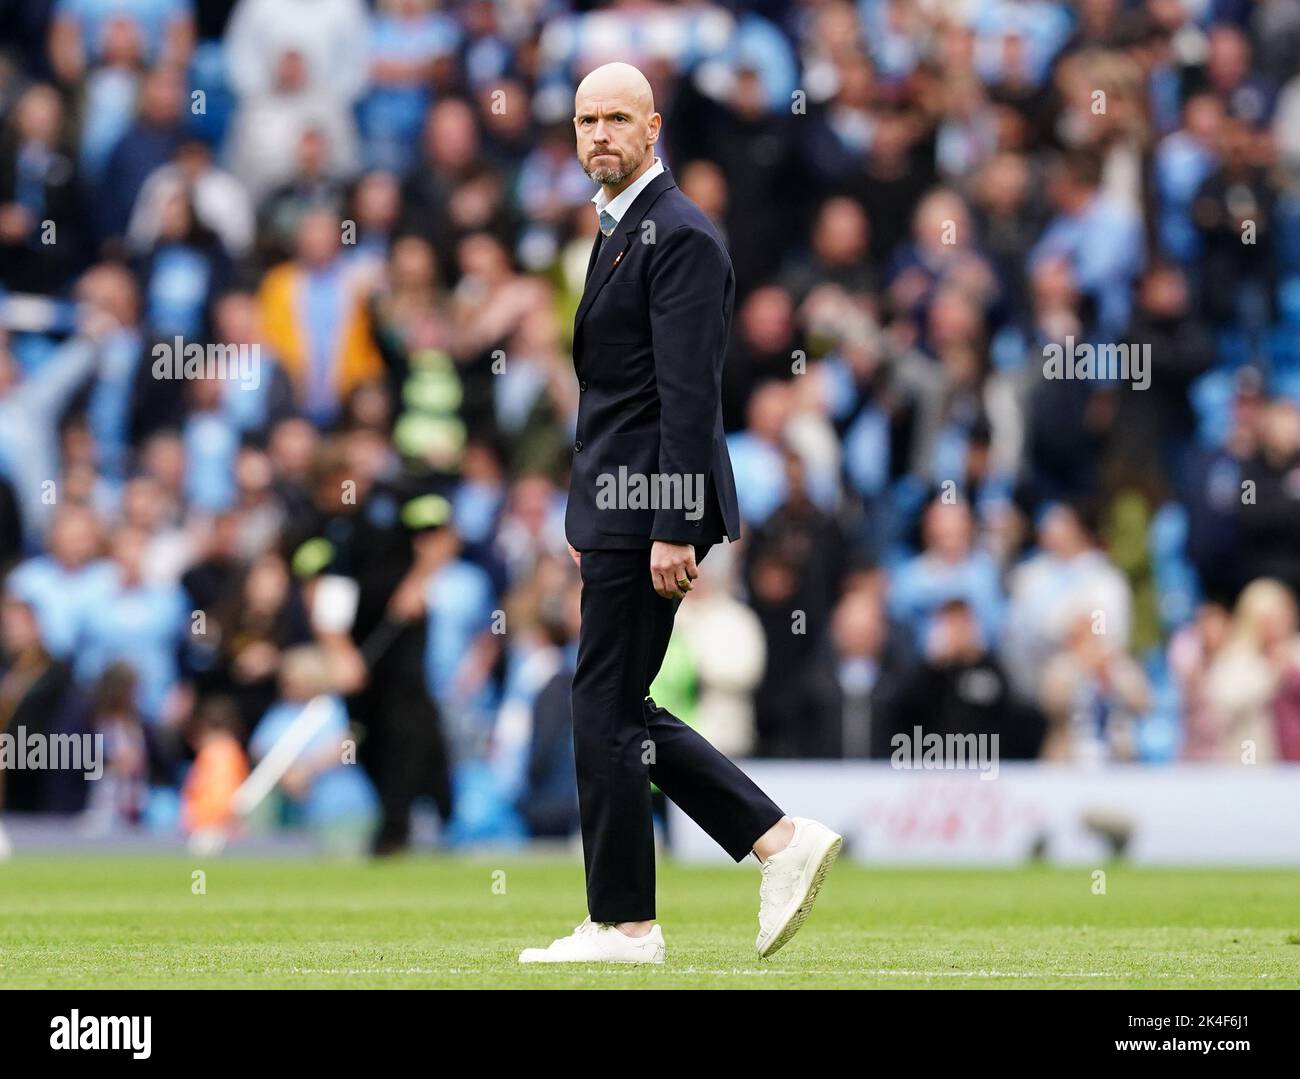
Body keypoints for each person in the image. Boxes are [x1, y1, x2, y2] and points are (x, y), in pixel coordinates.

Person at [518, 63, 841, 966]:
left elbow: (688, 392)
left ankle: (628, 924)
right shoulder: (624, 227)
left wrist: (668, 519)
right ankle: (774, 842)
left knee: (604, 708)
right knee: (616, 707)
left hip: (649, 501)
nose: (599, 135)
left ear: (654, 127)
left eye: (617, 117)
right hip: (618, 502)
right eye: (586, 120)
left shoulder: (679, 233)